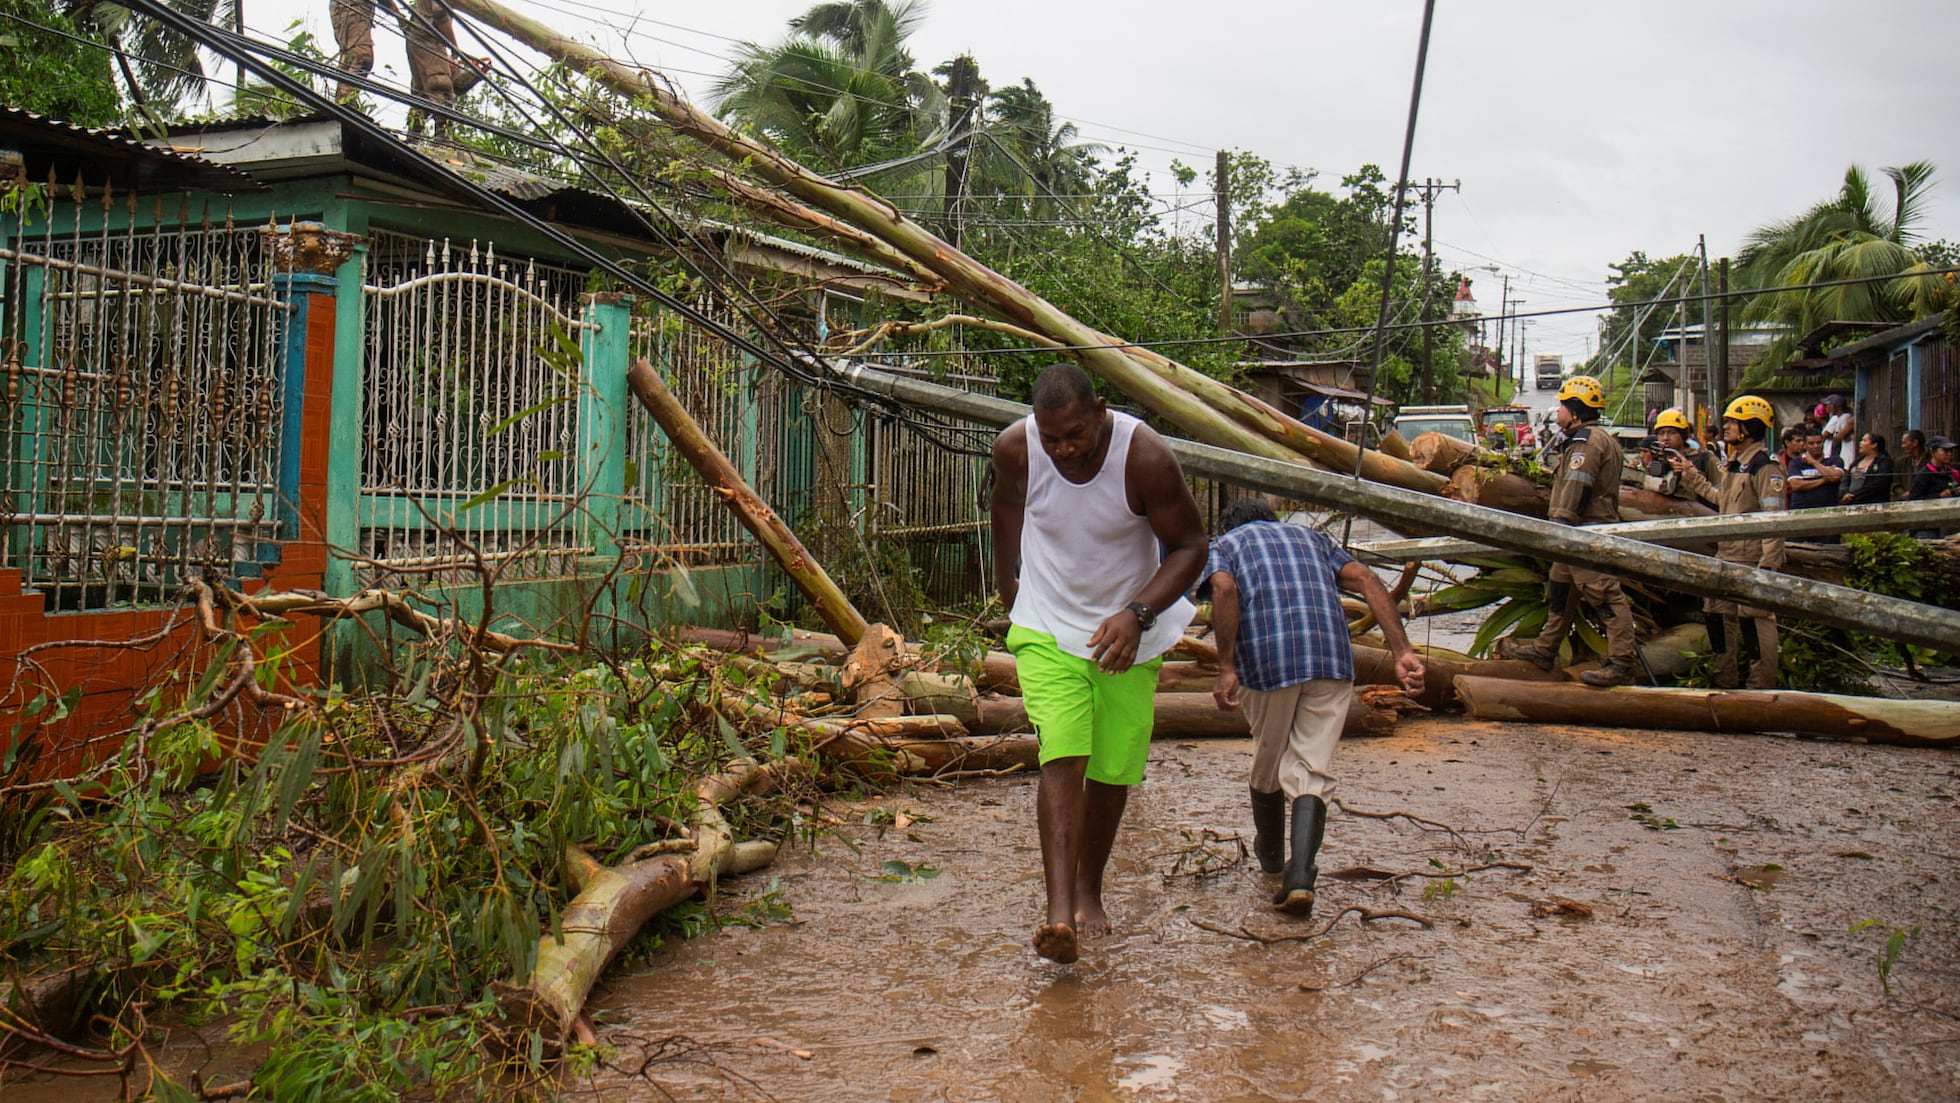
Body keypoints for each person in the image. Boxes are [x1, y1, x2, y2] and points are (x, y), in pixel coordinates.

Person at [991, 362, 1208, 965]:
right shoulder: (1017, 449)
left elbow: (1192, 546)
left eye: (1075, 436)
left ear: (1100, 413)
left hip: (1127, 631)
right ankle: (1059, 915)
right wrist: (1011, 590)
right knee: (1063, 749)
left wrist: (1137, 614)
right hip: (1047, 625)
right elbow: (1006, 511)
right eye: (1052, 437)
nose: (1063, 451)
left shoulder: (1146, 458)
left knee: (1112, 767)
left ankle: (1090, 891)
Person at [1200, 498, 1424, 917]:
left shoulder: (1226, 544)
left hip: (1268, 661)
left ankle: (1270, 862)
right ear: (1272, 519)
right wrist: (1402, 651)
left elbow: (1224, 588)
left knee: (1268, 760)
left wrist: (1225, 666)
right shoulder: (1312, 537)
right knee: (1310, 768)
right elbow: (1367, 579)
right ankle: (1300, 874)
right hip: (1330, 659)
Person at [1498, 376, 1642, 686]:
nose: (1558, 412)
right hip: (1574, 537)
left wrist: (1561, 525)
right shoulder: (1595, 439)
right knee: (1560, 590)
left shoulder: (1586, 442)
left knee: (1604, 596)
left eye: (1562, 406)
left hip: (1583, 535)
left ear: (1575, 411)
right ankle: (1546, 648)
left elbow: (1577, 485)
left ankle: (1622, 662)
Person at [1671, 395, 1786, 689]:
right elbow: (1721, 500)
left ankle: (1760, 690)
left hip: (1750, 559)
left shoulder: (1765, 466)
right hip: (1726, 555)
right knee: (1717, 618)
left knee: (1754, 623)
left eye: (1733, 422)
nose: (1727, 427)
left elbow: (1775, 520)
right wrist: (1690, 475)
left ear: (1749, 426)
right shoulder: (1735, 465)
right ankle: (1726, 683)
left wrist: (1769, 566)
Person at [1643, 407, 1718, 500]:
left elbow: (1721, 491)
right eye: (1661, 433)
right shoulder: (1657, 461)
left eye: (1672, 433)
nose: (1665, 438)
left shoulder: (1705, 458)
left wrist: (1689, 474)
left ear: (1683, 435)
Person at [1907, 435, 1958, 539]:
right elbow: (1913, 501)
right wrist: (1939, 496)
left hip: (1950, 522)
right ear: (1933, 452)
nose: (1949, 454)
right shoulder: (1923, 475)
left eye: (1951, 451)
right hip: (1927, 525)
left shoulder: (1952, 473)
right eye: (1945, 451)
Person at [1785, 428, 1843, 512]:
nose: (1816, 446)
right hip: (1801, 510)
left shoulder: (1834, 460)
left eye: (1819, 442)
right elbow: (1796, 485)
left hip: (1829, 510)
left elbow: (1835, 477)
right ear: (1805, 445)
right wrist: (1824, 480)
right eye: (1811, 443)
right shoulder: (1796, 462)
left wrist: (1813, 462)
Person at [1838, 433, 1894, 508]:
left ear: (1874, 445)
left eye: (1864, 440)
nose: (1860, 443)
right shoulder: (1857, 461)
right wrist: (1844, 494)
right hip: (1850, 504)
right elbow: (1846, 479)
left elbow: (1877, 484)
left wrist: (1854, 496)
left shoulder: (1884, 462)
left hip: (1872, 505)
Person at [1822, 394, 1857, 468]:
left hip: (1848, 452)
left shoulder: (1845, 417)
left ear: (1835, 406)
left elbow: (1840, 437)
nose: (1827, 407)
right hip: (1844, 452)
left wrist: (1836, 436)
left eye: (1829, 405)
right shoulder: (1839, 418)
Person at [1897, 430, 1929, 499]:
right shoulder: (1901, 462)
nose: (1902, 446)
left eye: (1904, 443)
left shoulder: (1930, 461)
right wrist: (1902, 493)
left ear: (1915, 443)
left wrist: (1914, 493)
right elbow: (1895, 483)